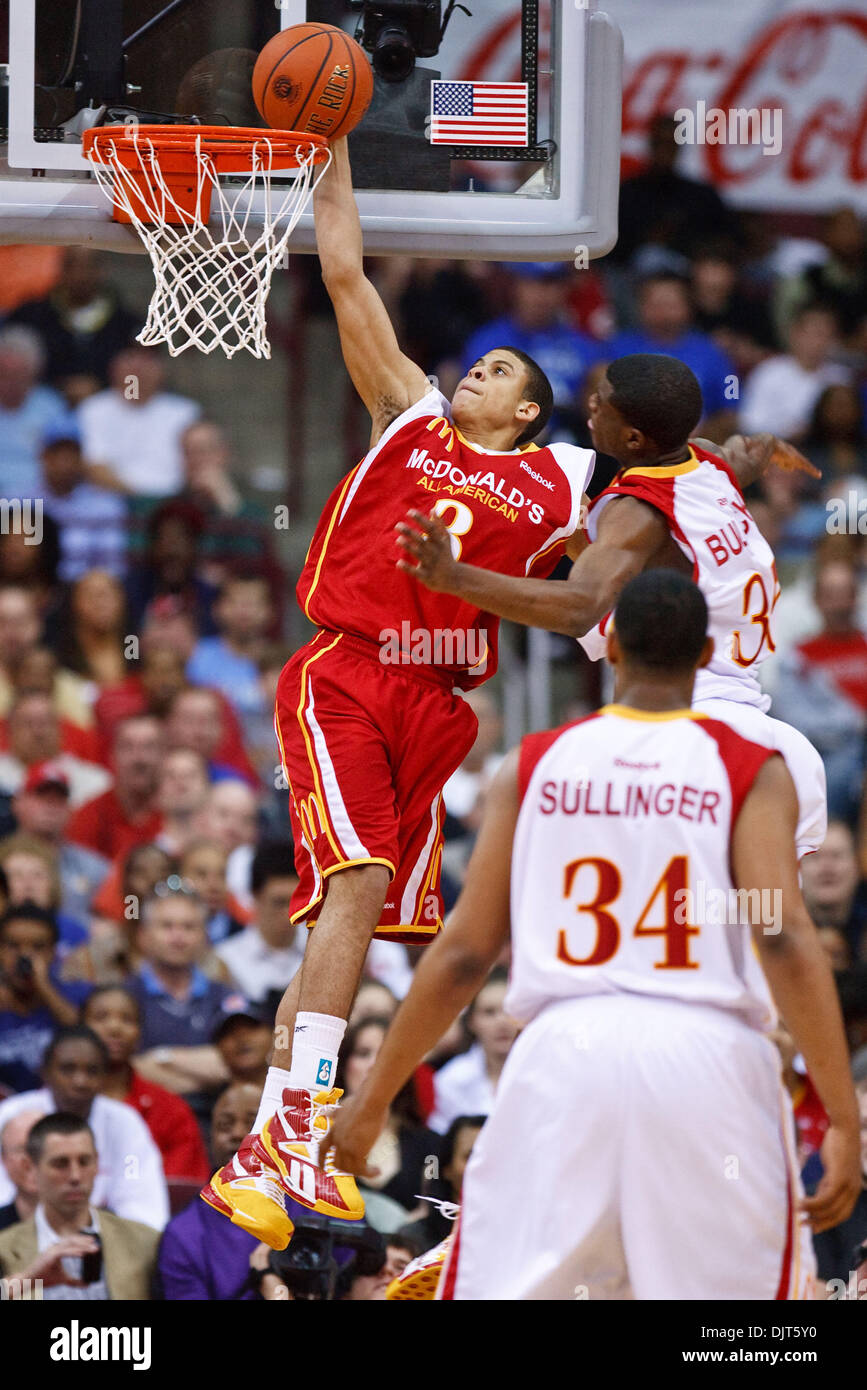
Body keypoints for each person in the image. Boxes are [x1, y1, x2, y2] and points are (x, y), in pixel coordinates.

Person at [201, 135, 595, 1247]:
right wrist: (328, 161)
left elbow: (649, 493)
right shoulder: (410, 413)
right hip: (350, 669)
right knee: (360, 878)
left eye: (507, 370)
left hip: (442, 707)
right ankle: (297, 1126)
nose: (483, 369)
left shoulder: (563, 479)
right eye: (481, 360)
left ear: (531, 413)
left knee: (351, 911)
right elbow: (343, 274)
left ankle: (269, 1152)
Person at [326, 571, 862, 1300]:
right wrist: (838, 1114)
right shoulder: (749, 771)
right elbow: (782, 939)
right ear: (706, 653)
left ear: (607, 643)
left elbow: (462, 953)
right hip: (703, 1054)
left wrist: (373, 1097)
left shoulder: (531, 766)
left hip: (561, 1054)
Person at [397, 352, 828, 865]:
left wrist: (456, 577)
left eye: (604, 404)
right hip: (775, 745)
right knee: (763, 934)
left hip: (686, 736)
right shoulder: (711, 466)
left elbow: (581, 606)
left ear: (633, 441)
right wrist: (769, 446)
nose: (591, 403)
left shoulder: (636, 513)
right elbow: (743, 453)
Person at [0, 1026, 169, 1229]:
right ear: (45, 1072)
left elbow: (137, 1191)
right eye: (68, 1069)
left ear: (106, 1076)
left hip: (101, 1236)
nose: (80, 1081)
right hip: (16, 1234)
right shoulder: (12, 1116)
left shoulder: (124, 1122)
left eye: (92, 1070)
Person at [0, 1113, 159, 1300]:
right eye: (60, 1164)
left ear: (97, 1163)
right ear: (30, 1168)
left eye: (84, 1161)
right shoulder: (4, 1249)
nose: (75, 1176)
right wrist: (28, 1279)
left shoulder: (144, 1242)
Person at [127, 885, 246, 1098]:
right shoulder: (124, 996)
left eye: (189, 927)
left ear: (204, 937)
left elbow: (234, 1064)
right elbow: (122, 1073)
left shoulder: (224, 996)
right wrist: (202, 1071)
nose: (178, 936)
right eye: (167, 926)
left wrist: (160, 1059)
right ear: (143, 936)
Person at [82, 985, 210, 1181]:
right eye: (101, 1017)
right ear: (80, 1028)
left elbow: (179, 1189)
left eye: (127, 1019)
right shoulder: (54, 1103)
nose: (114, 1028)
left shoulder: (172, 1110)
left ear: (140, 1034)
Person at [773, 559, 867, 822]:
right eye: (830, 595)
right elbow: (796, 721)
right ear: (816, 600)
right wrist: (855, 722)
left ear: (856, 598)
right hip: (833, 754)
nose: (839, 605)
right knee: (833, 775)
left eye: (845, 595)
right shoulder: (799, 658)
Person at [157, 1081, 268, 1300]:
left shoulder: (318, 1206)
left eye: (254, 1123)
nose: (237, 1134)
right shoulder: (183, 1235)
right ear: (210, 1142)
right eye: (225, 1126)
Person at [75, 344, 200, 497]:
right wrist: (141, 499)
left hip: (175, 501)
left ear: (162, 369)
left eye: (147, 360)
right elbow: (94, 466)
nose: (138, 368)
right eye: (130, 358)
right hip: (112, 499)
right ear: (113, 368)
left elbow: (199, 464)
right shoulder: (93, 409)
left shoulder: (185, 411)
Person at [0, 904, 91, 1094]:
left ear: (53, 952)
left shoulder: (77, 994)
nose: (25, 956)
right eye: (13, 946)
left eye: (38, 947)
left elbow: (88, 1042)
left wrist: (44, 988)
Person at [10, 761, 110, 925]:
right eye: (41, 796)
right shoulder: (3, 857)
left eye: (59, 799)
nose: (51, 806)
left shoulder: (94, 868)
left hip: (80, 946)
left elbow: (130, 901)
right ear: (18, 803)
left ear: (70, 810)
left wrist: (123, 923)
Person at [739, 305, 850, 441]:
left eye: (826, 335)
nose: (819, 342)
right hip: (777, 451)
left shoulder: (841, 378)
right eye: (814, 333)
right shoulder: (768, 373)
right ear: (795, 334)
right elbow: (749, 424)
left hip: (826, 454)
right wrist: (787, 431)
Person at [427, 968, 518, 1134]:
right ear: (471, 1021)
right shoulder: (451, 1079)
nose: (502, 1022)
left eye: (510, 1010)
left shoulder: (544, 1072)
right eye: (489, 1012)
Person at [36, 422, 129, 582]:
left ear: (82, 458)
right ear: (43, 456)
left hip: (85, 590)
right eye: (56, 452)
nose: (63, 461)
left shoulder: (106, 506)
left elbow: (112, 568)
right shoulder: (17, 501)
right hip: (35, 591)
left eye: (71, 453)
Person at [215, 841, 304, 1006]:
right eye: (279, 902)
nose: (290, 912)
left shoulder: (318, 951)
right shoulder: (227, 961)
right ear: (255, 896)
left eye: (296, 902)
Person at [65, 715, 164, 861]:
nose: (139, 758)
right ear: (112, 756)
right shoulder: (90, 816)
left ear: (164, 755)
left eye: (149, 747)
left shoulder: (179, 814)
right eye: (128, 747)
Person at [0, 325, 71, 499]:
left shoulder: (52, 407)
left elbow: (63, 461)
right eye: (4, 374)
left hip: (39, 499)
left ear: (34, 374)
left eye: (19, 375)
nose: (11, 383)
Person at [0, 1109, 45, 1229]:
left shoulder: (95, 1224)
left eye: (38, 1149)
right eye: (21, 1150)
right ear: (4, 1159)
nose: (30, 1160)